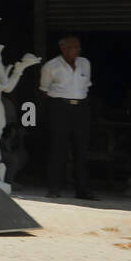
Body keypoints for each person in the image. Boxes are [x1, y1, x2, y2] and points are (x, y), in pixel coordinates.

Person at [39, 33, 96, 199]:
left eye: (78, 47)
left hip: (81, 108)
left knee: (81, 150)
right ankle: (54, 188)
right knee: (58, 148)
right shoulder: (51, 66)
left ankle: (83, 190)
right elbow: (44, 90)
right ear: (63, 48)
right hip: (60, 108)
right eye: (73, 47)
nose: (77, 50)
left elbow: (87, 86)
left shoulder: (85, 63)